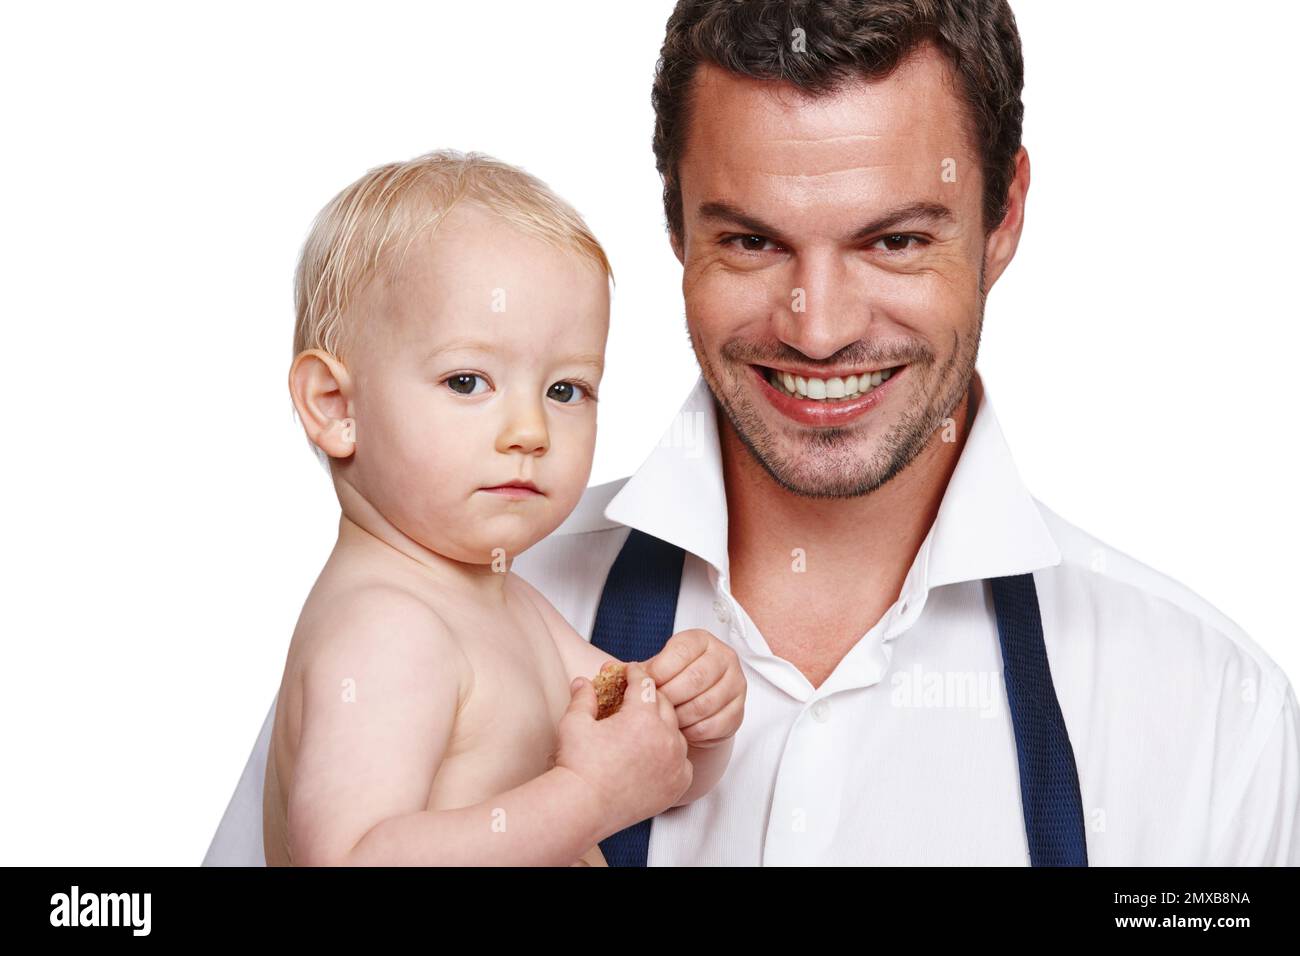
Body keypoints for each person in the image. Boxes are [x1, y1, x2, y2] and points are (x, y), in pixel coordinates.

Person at [206, 0, 1300, 866]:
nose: (817, 328)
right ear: (676, 223)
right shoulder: (434, 602)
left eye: (893, 241)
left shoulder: (1209, 713)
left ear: (1002, 215)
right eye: (751, 242)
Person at [258, 149, 745, 866]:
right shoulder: (386, 627)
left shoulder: (510, 605)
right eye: (466, 380)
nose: (531, 432)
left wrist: (691, 721)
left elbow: (651, 771)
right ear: (335, 407)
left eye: (565, 390)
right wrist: (588, 797)